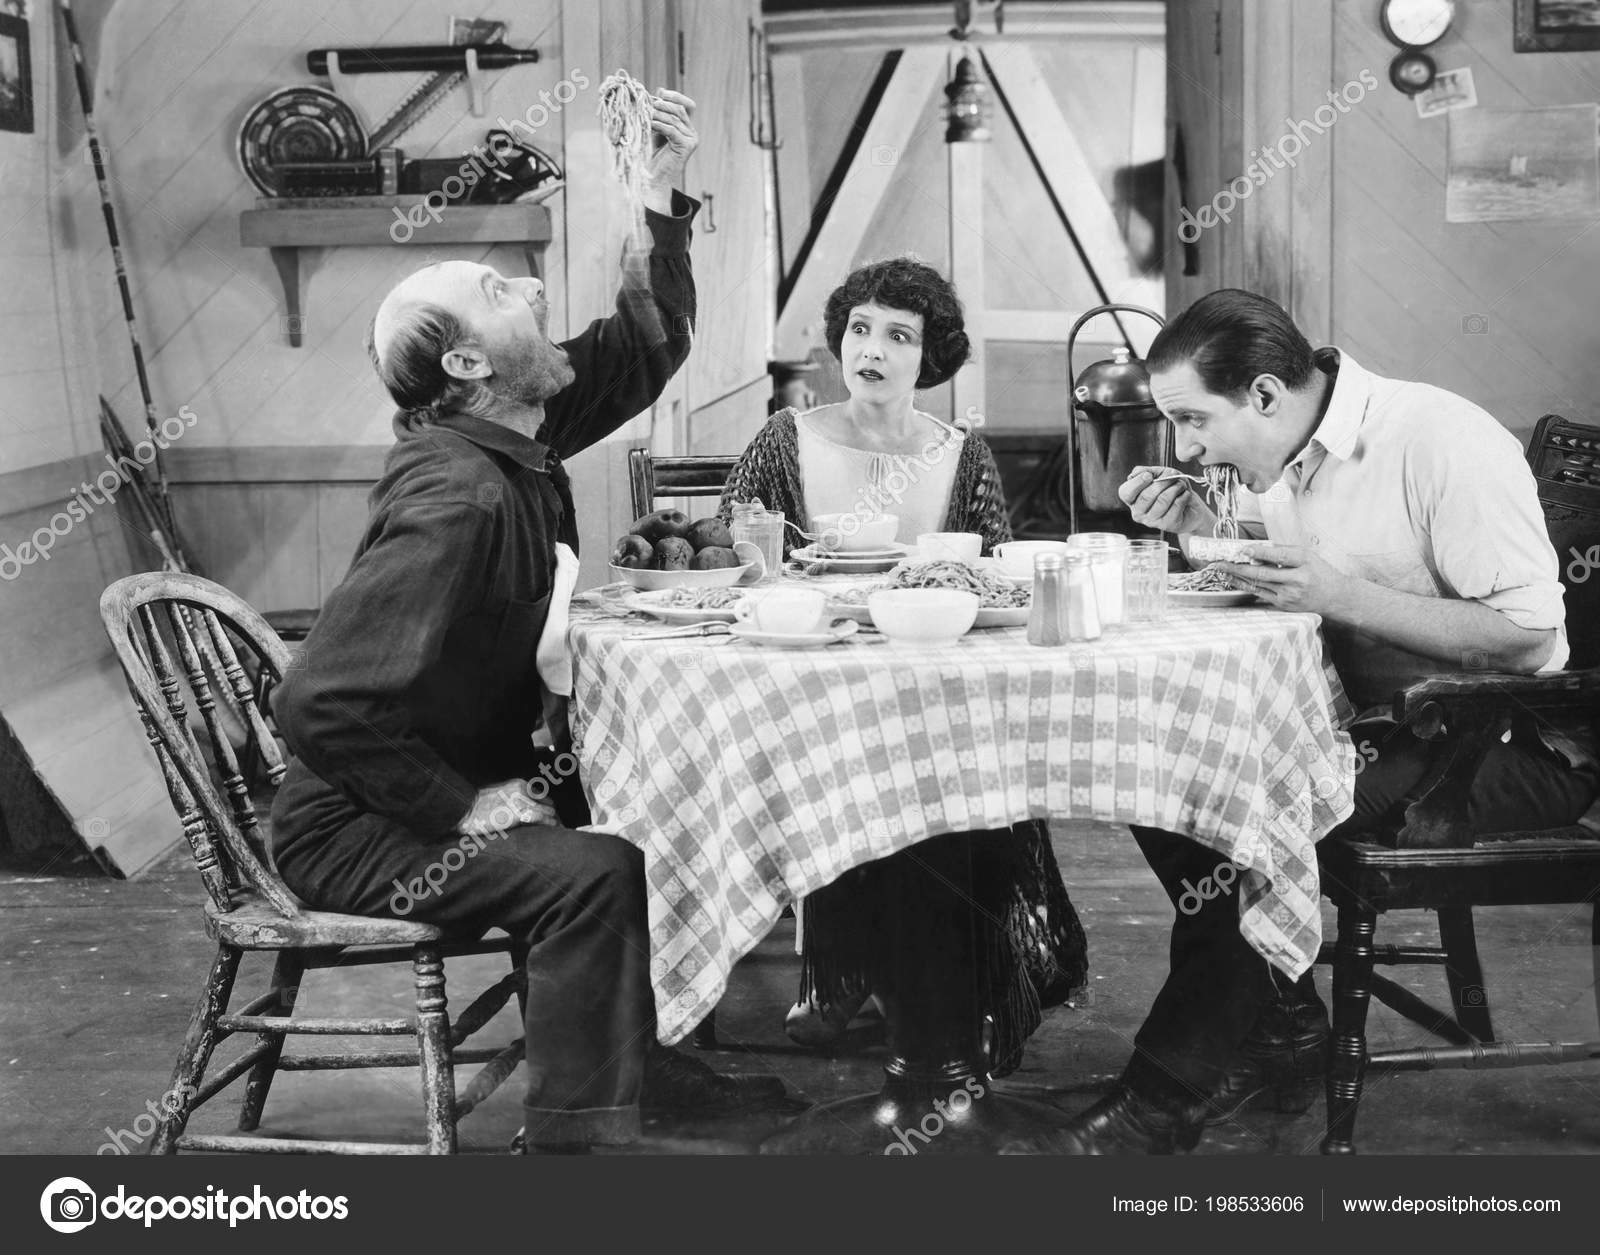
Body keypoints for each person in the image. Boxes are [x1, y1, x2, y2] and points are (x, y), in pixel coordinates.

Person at [269, 89, 785, 1154]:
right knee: (593, 870)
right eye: (502, 290)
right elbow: (320, 700)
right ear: (465, 366)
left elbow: (644, 347)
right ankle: (575, 1146)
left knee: (638, 802)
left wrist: (653, 191)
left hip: (417, 791)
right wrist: (461, 806)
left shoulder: (513, 434)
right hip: (361, 829)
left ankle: (646, 1069)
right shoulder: (458, 495)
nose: (535, 286)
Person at [1005, 287, 1600, 1154]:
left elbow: (1528, 638)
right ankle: (1279, 1026)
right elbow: (1295, 576)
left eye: (1192, 419)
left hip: (1510, 742)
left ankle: (1164, 1095)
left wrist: (1341, 596)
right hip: (1376, 727)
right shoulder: (1287, 454)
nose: (1185, 444)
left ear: (1265, 396)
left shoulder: (1440, 441)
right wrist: (1207, 525)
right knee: (1163, 771)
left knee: (1256, 817)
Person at [717, 257, 1087, 1067]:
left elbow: (991, 579)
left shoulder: (964, 453)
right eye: (859, 329)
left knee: (961, 779)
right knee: (849, 767)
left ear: (931, 356)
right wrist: (763, 558)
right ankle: (845, 970)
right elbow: (734, 549)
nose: (872, 349)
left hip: (942, 689)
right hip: (821, 688)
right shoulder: (787, 438)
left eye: (898, 335)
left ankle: (948, 984)